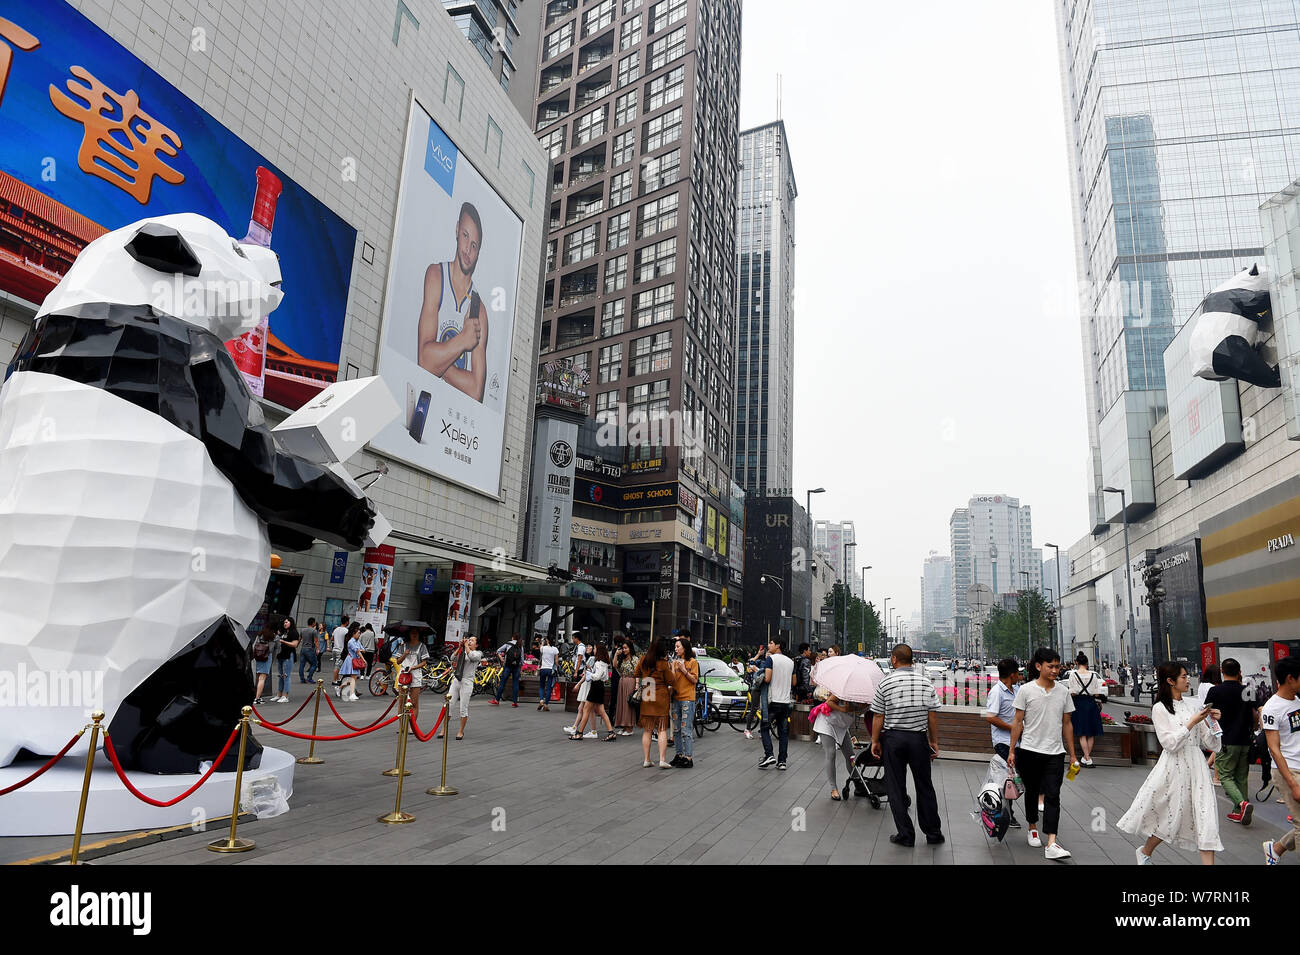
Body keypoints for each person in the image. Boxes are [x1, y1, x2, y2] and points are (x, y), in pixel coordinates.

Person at [1119, 662, 1223, 865]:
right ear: (1170, 681)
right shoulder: (1159, 709)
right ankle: (1146, 851)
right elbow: (1169, 744)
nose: (1187, 680)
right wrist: (1192, 722)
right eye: (1183, 677)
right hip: (1173, 768)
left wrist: (1215, 723)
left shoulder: (1193, 705)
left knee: (1206, 816)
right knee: (1171, 814)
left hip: (1197, 766)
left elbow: (1211, 743)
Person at [1007, 647, 1078, 861]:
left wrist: (1073, 755)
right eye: (1051, 666)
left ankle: (1052, 842)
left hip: (1055, 752)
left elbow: (1067, 724)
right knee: (1032, 791)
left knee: (1053, 795)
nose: (1056, 670)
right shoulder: (1026, 690)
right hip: (1029, 750)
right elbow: (1018, 722)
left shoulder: (1063, 692)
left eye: (1057, 666)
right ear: (1039, 667)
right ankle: (1032, 827)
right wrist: (1011, 750)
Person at [870, 643, 944, 847]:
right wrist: (934, 741)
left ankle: (906, 834)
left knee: (896, 787)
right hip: (918, 739)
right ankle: (933, 833)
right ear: (911, 659)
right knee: (925, 786)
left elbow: (878, 715)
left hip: (894, 739)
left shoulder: (886, 682)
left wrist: (875, 740)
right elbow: (932, 716)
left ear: (894, 659)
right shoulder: (925, 682)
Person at [416, 202, 489, 402]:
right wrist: (462, 341)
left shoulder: (479, 310)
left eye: (474, 245)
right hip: (423, 402)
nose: (468, 249)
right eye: (465, 236)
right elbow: (423, 362)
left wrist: (438, 362)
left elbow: (475, 391)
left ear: (479, 251)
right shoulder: (436, 275)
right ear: (457, 230)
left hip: (452, 420)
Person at [1204, 657, 1262, 825]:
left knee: (1225, 775)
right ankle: (1239, 812)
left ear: (1222, 672)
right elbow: (1257, 711)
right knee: (1242, 777)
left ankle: (1242, 803)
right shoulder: (1247, 690)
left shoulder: (1216, 691)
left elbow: (1205, 713)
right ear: (1239, 672)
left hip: (1225, 739)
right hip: (1245, 740)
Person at [1262, 656, 1300, 865]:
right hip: (1288, 770)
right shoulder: (1272, 708)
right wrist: (1293, 784)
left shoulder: (1296, 700)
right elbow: (1274, 749)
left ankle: (1275, 849)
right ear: (1290, 679)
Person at [982, 657, 1023, 828]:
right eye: (1018, 674)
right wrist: (1011, 728)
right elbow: (990, 717)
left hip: (1017, 742)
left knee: (1012, 778)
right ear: (1012, 674)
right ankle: (1004, 814)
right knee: (1010, 778)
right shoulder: (997, 692)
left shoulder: (1016, 690)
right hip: (1003, 742)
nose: (1020, 676)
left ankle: (1004, 812)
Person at [816, 693, 864, 801]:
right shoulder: (844, 690)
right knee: (831, 753)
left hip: (842, 726)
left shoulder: (866, 697)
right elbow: (829, 702)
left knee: (850, 755)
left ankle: (859, 785)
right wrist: (843, 709)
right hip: (827, 721)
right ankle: (834, 789)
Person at [634, 638, 673, 768]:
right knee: (661, 729)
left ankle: (647, 759)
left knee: (647, 729)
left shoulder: (643, 660)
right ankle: (662, 759)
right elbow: (671, 681)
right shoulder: (663, 663)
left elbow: (636, 673)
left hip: (647, 692)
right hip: (660, 694)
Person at [757, 637, 795, 770]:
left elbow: (767, 678)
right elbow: (794, 682)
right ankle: (782, 761)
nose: (768, 645)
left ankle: (769, 755)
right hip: (786, 702)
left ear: (778, 646)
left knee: (764, 727)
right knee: (783, 733)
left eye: (771, 643)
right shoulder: (790, 662)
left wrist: (758, 675)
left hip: (773, 701)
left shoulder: (770, 659)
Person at [1065, 652, 1105, 767]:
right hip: (1091, 704)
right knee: (1091, 733)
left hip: (1079, 704)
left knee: (1082, 732)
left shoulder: (1073, 675)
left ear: (1076, 663)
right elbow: (1097, 694)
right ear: (1087, 663)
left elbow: (1072, 692)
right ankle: (1086, 758)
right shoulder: (1093, 675)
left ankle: (1087, 758)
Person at [438, 635, 483, 741]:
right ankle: (443, 729)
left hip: (467, 682)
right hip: (456, 680)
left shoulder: (478, 653)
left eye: (472, 641)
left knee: (463, 708)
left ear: (476, 644)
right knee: (449, 704)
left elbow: (471, 657)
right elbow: (452, 658)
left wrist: (466, 646)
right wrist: (459, 647)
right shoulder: (462, 651)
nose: (469, 641)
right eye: (469, 640)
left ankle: (461, 731)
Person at [571, 643, 616, 741]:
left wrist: (589, 674)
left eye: (595, 648)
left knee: (586, 710)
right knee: (601, 711)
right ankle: (611, 732)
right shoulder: (604, 663)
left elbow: (597, 676)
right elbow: (605, 677)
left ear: (598, 650)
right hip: (600, 687)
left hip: (595, 687)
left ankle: (579, 733)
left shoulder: (598, 663)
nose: (593, 650)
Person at [668, 636, 700, 767]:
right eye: (675, 647)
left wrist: (683, 670)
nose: (676, 649)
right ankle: (679, 754)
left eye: (678, 647)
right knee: (676, 729)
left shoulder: (692, 662)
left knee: (686, 729)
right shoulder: (674, 662)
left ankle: (688, 757)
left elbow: (694, 680)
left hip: (687, 698)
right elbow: (672, 680)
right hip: (676, 698)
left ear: (685, 648)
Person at [395, 629, 430, 726]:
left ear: (419, 634)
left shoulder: (422, 646)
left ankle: (412, 726)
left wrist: (414, 667)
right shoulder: (403, 646)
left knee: (414, 702)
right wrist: (405, 654)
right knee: (401, 702)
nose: (414, 634)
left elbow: (424, 662)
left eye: (416, 633)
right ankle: (402, 724)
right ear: (409, 634)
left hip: (415, 674)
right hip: (404, 674)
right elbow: (398, 661)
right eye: (412, 633)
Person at [612, 639, 638, 735]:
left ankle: (630, 728)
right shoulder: (622, 658)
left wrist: (637, 684)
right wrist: (616, 654)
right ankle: (624, 726)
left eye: (626, 648)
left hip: (630, 681)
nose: (624, 650)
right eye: (623, 648)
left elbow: (638, 673)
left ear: (630, 648)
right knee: (621, 704)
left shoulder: (634, 659)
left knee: (628, 704)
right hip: (622, 681)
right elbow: (615, 665)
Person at [745, 644, 770, 741]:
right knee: (754, 709)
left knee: (765, 710)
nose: (768, 655)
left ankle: (762, 731)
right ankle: (747, 729)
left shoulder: (772, 665)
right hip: (757, 688)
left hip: (766, 689)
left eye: (770, 654)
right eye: (767, 654)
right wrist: (758, 654)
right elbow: (750, 663)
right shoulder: (761, 662)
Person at [492, 633, 523, 706]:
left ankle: (497, 700)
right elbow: (522, 659)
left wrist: (501, 658)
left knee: (502, 683)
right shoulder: (520, 645)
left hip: (508, 666)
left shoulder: (508, 644)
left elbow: (498, 651)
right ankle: (515, 702)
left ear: (512, 638)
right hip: (516, 667)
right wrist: (520, 668)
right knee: (515, 684)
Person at [273, 615, 299, 704]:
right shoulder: (283, 632)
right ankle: (279, 694)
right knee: (280, 676)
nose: (285, 623)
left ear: (291, 623)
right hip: (281, 655)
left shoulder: (294, 632)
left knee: (286, 676)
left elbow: (295, 644)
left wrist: (283, 641)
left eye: (287, 622)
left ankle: (285, 695)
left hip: (289, 656)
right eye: (284, 622)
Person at [252, 620, 276, 704]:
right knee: (262, 678)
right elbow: (273, 649)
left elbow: (254, 645)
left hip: (258, 656)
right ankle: (257, 698)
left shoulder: (260, 634)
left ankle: (255, 696)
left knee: (258, 677)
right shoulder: (273, 636)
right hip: (266, 658)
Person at [339, 623, 365, 702]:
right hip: (351, 660)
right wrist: (363, 659)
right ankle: (351, 694)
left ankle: (341, 687)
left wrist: (360, 651)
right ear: (354, 633)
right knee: (353, 678)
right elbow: (358, 651)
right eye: (358, 633)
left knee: (353, 678)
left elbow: (363, 650)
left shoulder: (357, 641)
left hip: (354, 660)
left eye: (359, 633)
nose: (359, 635)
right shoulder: (351, 641)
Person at [537, 636, 558, 711]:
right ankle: (546, 704)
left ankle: (541, 700)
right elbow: (556, 661)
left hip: (543, 669)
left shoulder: (543, 648)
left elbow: (540, 647)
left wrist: (542, 642)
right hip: (550, 670)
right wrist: (557, 668)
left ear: (547, 641)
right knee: (549, 688)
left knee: (542, 686)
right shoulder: (555, 649)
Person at [297, 617, 320, 684]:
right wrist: (318, 649)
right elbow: (316, 641)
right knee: (314, 664)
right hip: (310, 649)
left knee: (302, 664)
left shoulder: (302, 630)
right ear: (313, 623)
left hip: (303, 649)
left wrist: (297, 646)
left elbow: (299, 639)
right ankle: (309, 678)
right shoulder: (314, 631)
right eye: (314, 622)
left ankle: (302, 679)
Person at [331, 614, 350, 690]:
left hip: (334, 649)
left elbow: (332, 638)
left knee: (336, 665)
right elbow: (347, 640)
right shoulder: (346, 630)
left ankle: (337, 678)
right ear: (347, 622)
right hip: (340, 650)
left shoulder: (336, 629)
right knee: (337, 666)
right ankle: (334, 680)